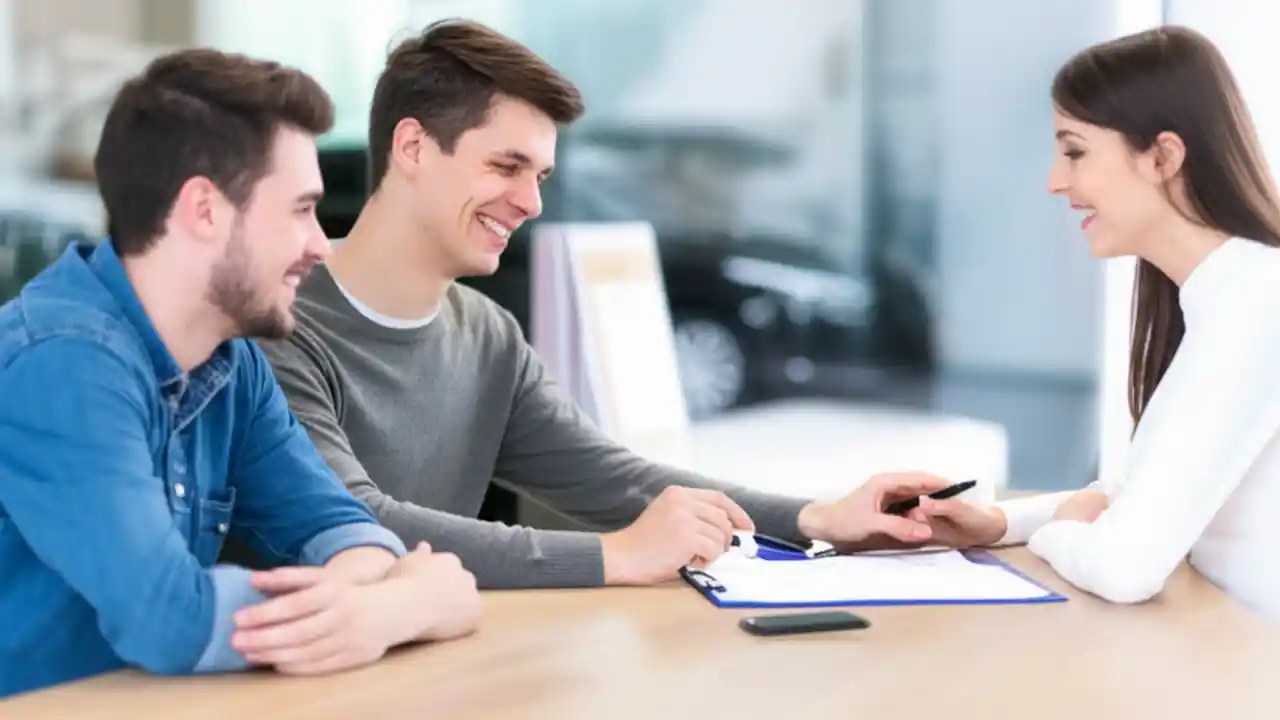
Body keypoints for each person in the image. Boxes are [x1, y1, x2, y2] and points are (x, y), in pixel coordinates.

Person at [259, 19, 949, 590]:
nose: (531, 203)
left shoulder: (487, 335)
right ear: (412, 147)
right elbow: (360, 522)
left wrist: (818, 519)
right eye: (505, 167)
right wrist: (614, 557)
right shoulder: (278, 325)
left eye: (541, 176)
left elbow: (609, 478)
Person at [0, 49, 481, 697]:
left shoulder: (230, 360)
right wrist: (405, 605)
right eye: (300, 209)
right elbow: (170, 619)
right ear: (204, 210)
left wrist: (383, 602)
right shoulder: (61, 360)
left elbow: (339, 528)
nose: (319, 243)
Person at [908, 26, 1280, 621]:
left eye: (1075, 151)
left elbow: (1123, 567)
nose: (1055, 181)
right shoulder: (1233, 294)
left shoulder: (1256, 303)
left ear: (1163, 156)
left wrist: (1060, 533)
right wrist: (999, 523)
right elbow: (1134, 490)